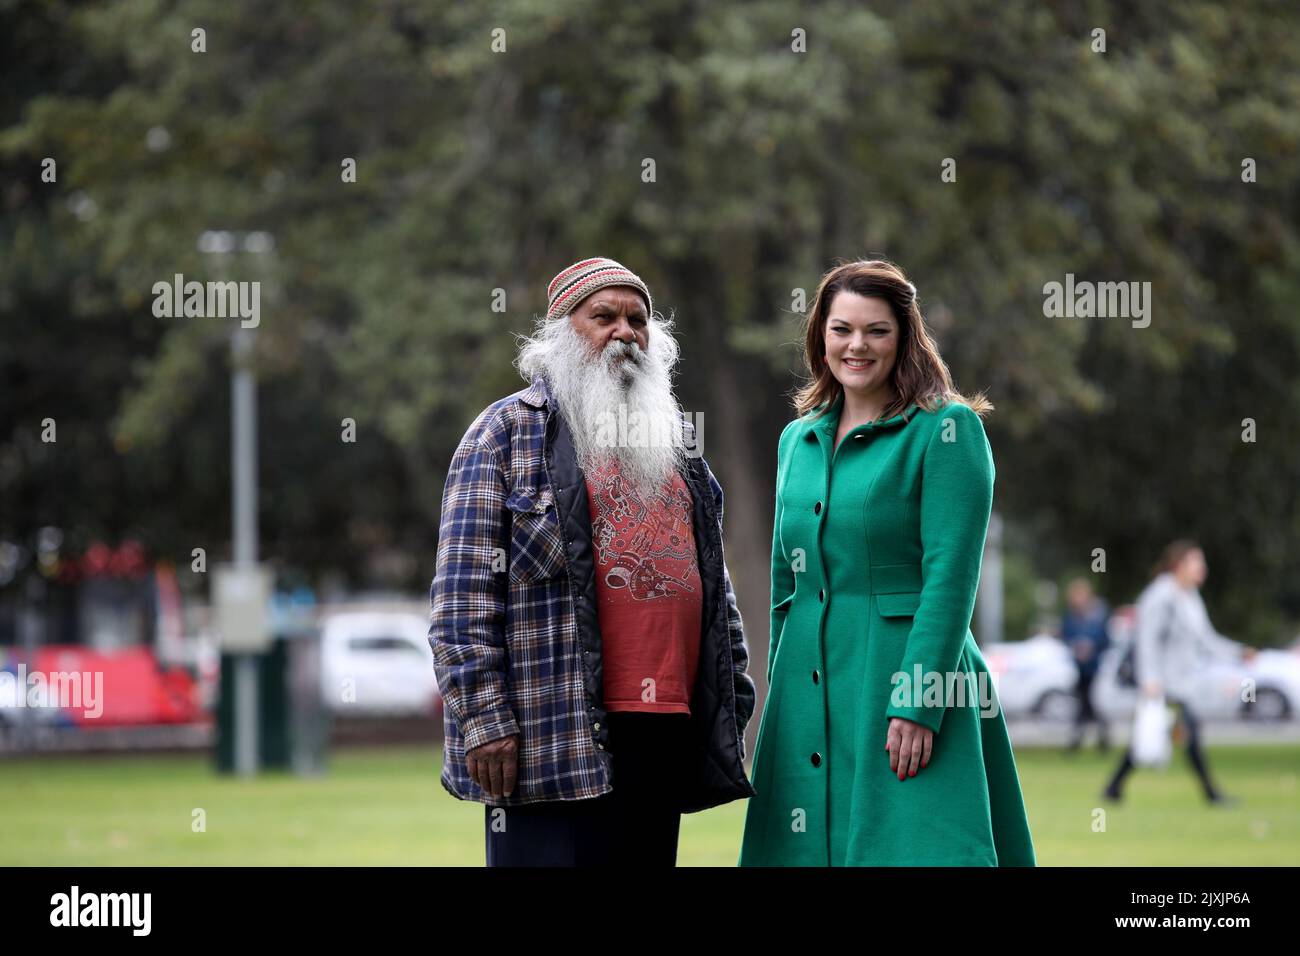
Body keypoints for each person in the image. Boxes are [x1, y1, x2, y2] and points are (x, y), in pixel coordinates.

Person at [429, 256, 756, 866]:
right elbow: (461, 597)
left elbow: (714, 582)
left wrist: (733, 691)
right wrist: (483, 718)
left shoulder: (676, 443)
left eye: (638, 319)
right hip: (551, 732)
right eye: (602, 317)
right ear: (559, 333)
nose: (624, 333)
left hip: (663, 731)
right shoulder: (502, 434)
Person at [739, 259, 1035, 866]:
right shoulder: (796, 440)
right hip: (809, 683)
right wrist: (783, 697)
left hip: (908, 679)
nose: (857, 345)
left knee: (914, 848)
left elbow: (951, 578)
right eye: (842, 328)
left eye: (876, 330)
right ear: (821, 335)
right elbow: (785, 583)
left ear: (904, 337)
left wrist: (919, 700)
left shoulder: (947, 431)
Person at [1102, 540, 1255, 805]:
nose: (1203, 568)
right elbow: (1145, 640)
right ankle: (1211, 794)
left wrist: (1238, 652)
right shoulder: (1160, 595)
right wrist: (1149, 678)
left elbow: (1205, 638)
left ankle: (1114, 788)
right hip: (1163, 683)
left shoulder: (1190, 597)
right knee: (1186, 734)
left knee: (1155, 734)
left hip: (1182, 682)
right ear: (1179, 565)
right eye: (1198, 562)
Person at [1061, 577, 1111, 751]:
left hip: (1093, 667)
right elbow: (1066, 636)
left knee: (1087, 703)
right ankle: (1099, 737)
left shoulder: (1097, 616)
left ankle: (1079, 740)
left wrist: (1092, 649)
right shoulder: (1071, 617)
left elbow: (1106, 640)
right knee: (1086, 703)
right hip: (1079, 667)